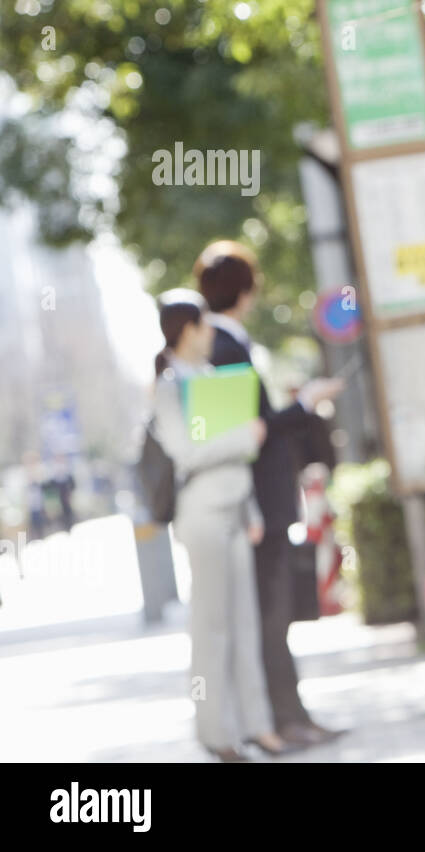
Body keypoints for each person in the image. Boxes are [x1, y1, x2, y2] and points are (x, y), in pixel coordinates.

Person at [193, 241, 345, 747]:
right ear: (244, 288)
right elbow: (249, 431)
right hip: (259, 502)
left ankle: (287, 715)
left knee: (271, 613)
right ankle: (282, 720)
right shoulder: (225, 346)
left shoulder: (218, 343)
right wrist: (305, 403)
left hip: (255, 502)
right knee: (270, 615)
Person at [151, 288, 300, 762]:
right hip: (204, 513)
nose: (211, 333)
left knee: (245, 623)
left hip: (237, 510)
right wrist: (243, 436)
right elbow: (186, 453)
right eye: (205, 325)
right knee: (212, 626)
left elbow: (240, 459)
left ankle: (257, 725)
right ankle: (216, 734)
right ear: (189, 329)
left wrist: (252, 511)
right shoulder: (169, 386)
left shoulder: (215, 377)